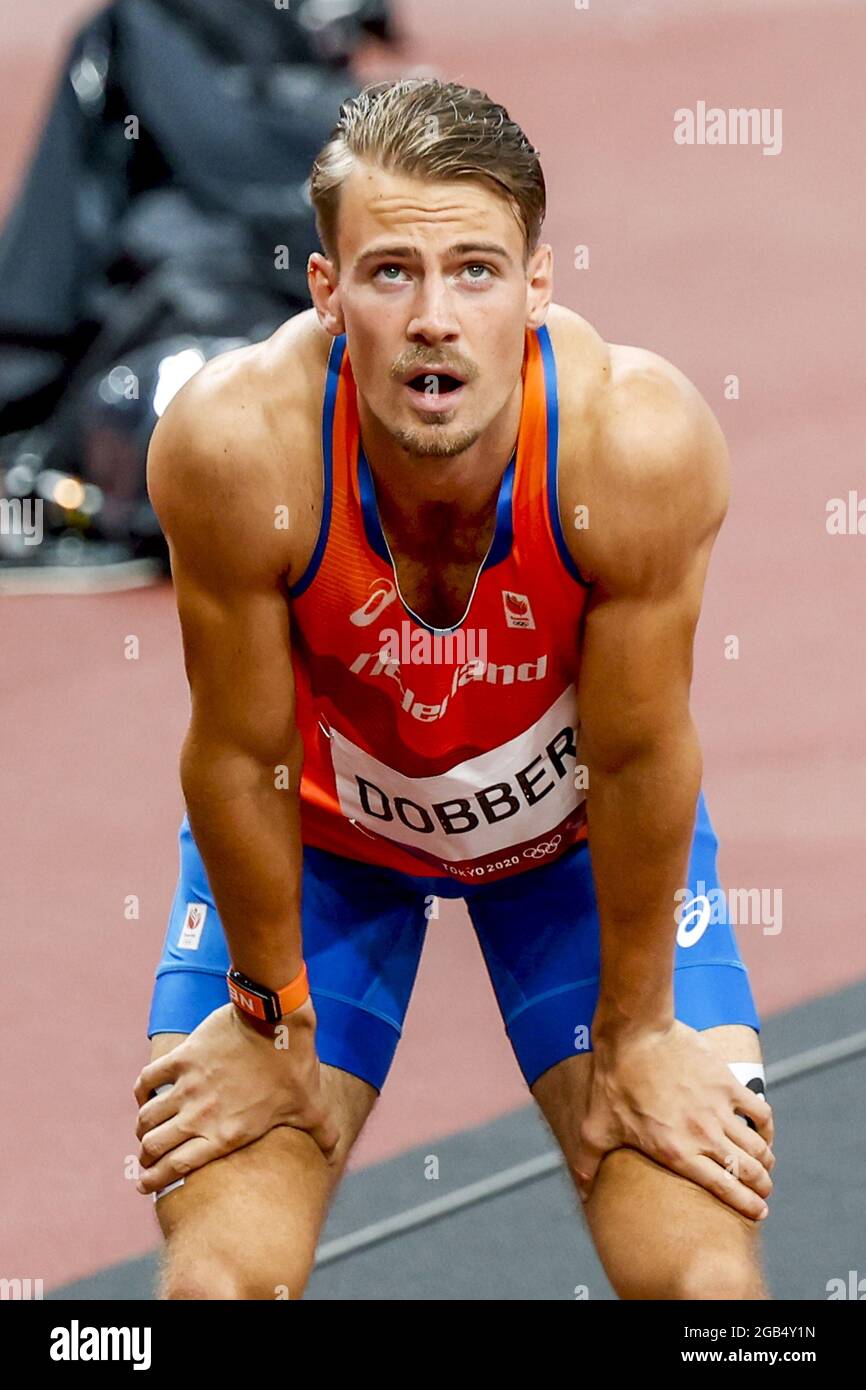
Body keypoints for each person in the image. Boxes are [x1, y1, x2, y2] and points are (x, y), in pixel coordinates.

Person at [134, 77, 774, 1301]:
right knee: (216, 1289)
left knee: (706, 1292)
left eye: (474, 270)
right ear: (326, 294)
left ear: (538, 283)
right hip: (321, 848)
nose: (434, 318)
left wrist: (637, 1030)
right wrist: (267, 1011)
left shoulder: (632, 445)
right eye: (388, 274)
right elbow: (235, 752)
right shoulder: (234, 445)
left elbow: (639, 761)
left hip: (574, 852)